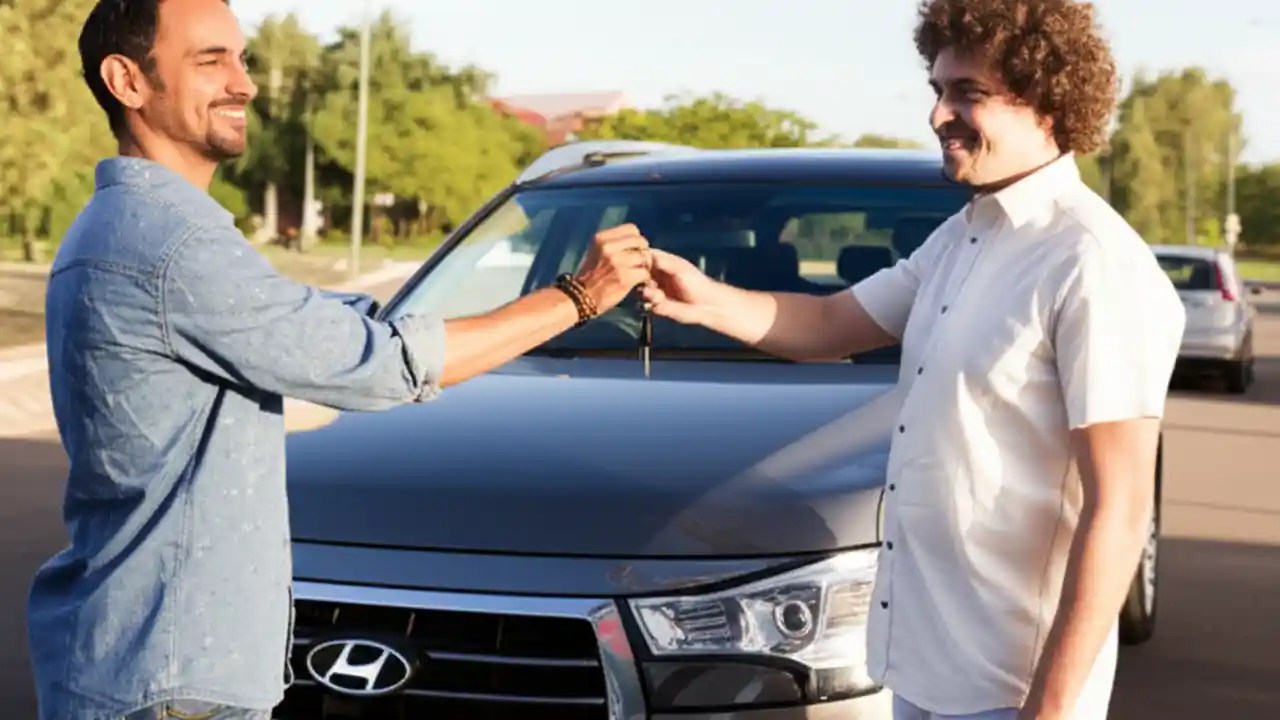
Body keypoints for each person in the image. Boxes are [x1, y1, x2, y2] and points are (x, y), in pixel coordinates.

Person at [26, 1, 651, 718]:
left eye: (241, 58)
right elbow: (379, 363)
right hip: (170, 679)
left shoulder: (132, 230)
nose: (245, 84)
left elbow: (318, 322)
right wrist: (577, 298)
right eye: (210, 61)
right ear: (127, 80)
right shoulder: (167, 245)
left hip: (142, 661)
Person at [643, 1, 1185, 718]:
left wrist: (1050, 709)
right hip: (924, 668)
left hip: (1011, 688)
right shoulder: (966, 235)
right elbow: (832, 322)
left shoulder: (1091, 262)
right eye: (938, 91)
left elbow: (1117, 511)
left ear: (1050, 102)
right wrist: (706, 298)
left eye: (969, 94)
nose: (938, 116)